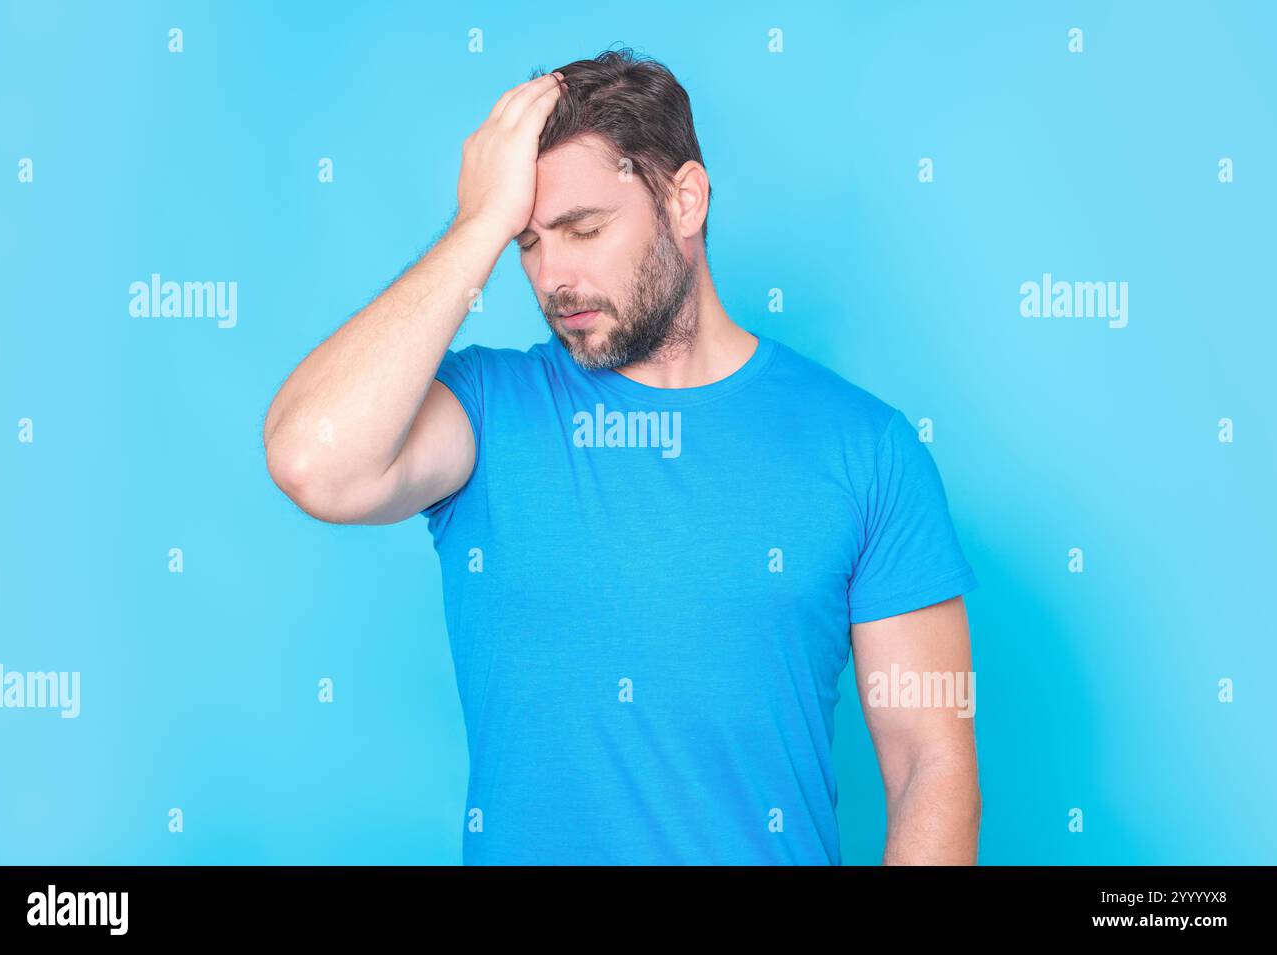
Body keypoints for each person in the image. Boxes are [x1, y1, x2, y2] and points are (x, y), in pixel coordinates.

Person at [263, 48, 981, 865]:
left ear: (685, 199)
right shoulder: (488, 412)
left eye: (584, 228)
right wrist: (475, 227)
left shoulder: (867, 448)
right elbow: (311, 457)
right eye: (526, 243)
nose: (553, 276)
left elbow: (932, 765)